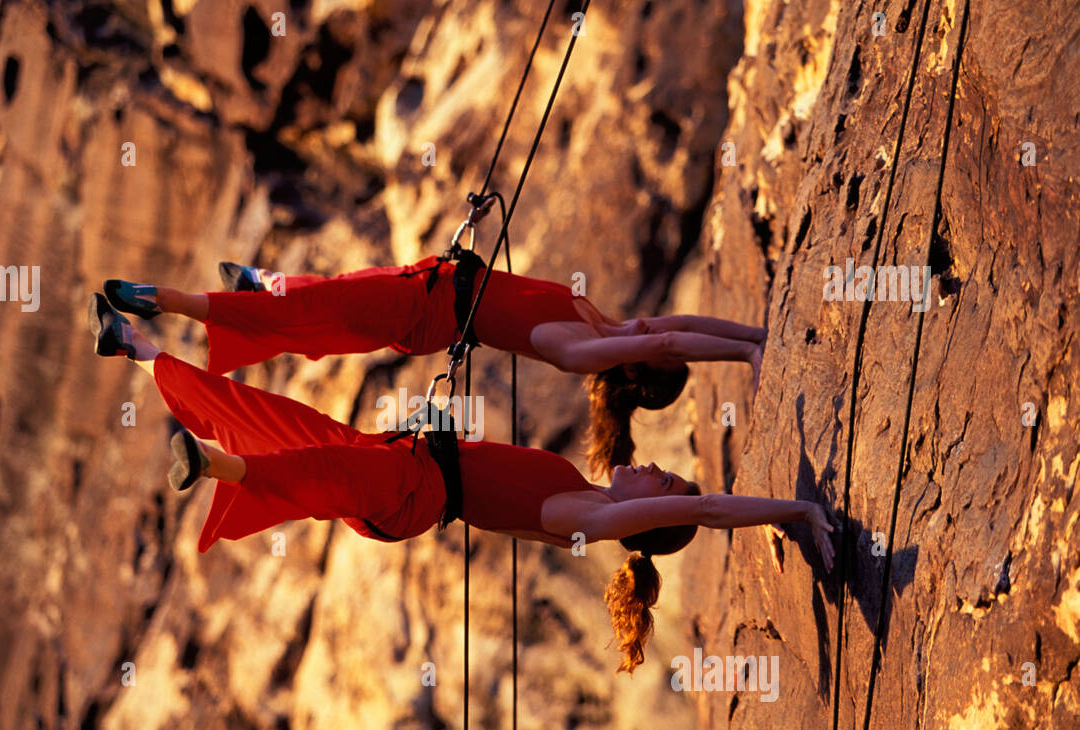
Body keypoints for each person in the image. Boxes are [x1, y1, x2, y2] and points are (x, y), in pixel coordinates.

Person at [89, 296, 834, 673]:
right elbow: (651, 328)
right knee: (279, 420)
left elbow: (705, 507)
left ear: (648, 514)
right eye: (663, 469)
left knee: (326, 470)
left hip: (408, 494)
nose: (649, 466)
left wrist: (798, 509)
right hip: (410, 463)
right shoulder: (578, 487)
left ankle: (215, 466)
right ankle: (140, 349)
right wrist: (746, 336)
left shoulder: (591, 519)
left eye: (660, 479)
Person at [101, 256, 767, 479]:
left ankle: (148, 320)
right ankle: (248, 287)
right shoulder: (595, 316)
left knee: (312, 321)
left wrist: (745, 353)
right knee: (319, 316)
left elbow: (666, 342)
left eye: (651, 350)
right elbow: (672, 331)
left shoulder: (577, 349)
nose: (654, 329)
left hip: (424, 314)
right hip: (429, 281)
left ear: (634, 369)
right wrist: (751, 336)